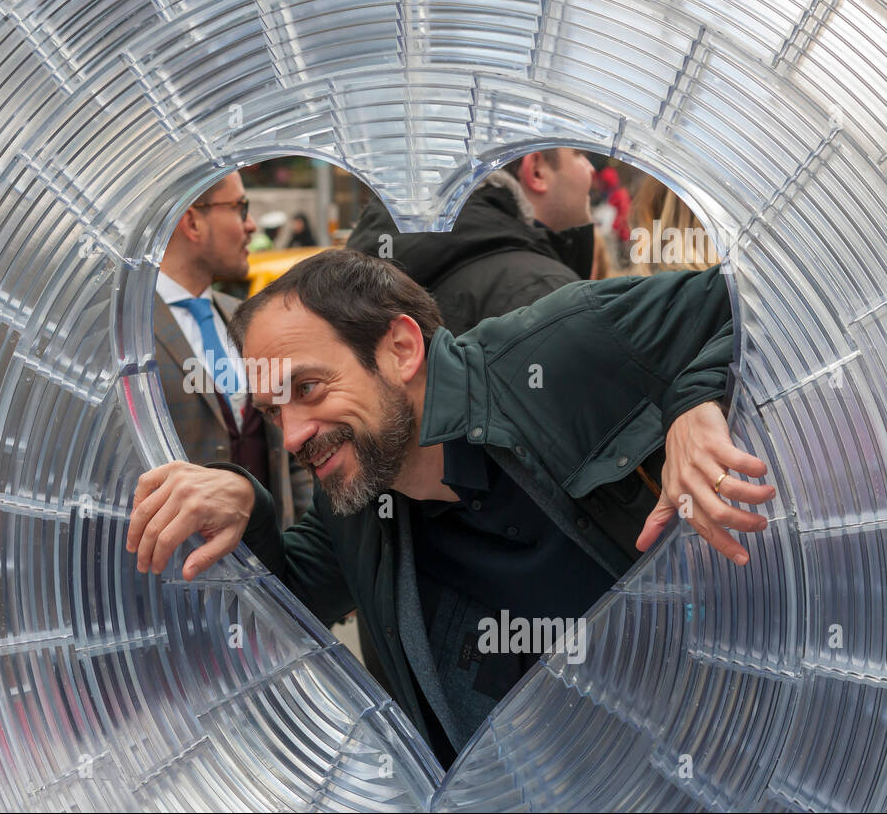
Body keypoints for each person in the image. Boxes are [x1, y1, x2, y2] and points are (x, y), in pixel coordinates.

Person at [128, 250, 774, 767]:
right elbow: (293, 597)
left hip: (730, 747)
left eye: (308, 388)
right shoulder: (354, 505)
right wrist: (247, 502)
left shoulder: (559, 348)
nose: (291, 435)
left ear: (402, 349)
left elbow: (763, 299)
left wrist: (695, 404)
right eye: (274, 412)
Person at [152, 171, 309, 528]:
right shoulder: (123, 332)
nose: (252, 226)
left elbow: (290, 451)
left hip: (269, 568)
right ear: (192, 220)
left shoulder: (245, 318)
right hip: (181, 571)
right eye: (241, 208)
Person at [348, 148, 596, 335]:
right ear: (536, 169)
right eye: (579, 154)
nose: (591, 168)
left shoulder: (372, 263)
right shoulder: (545, 290)